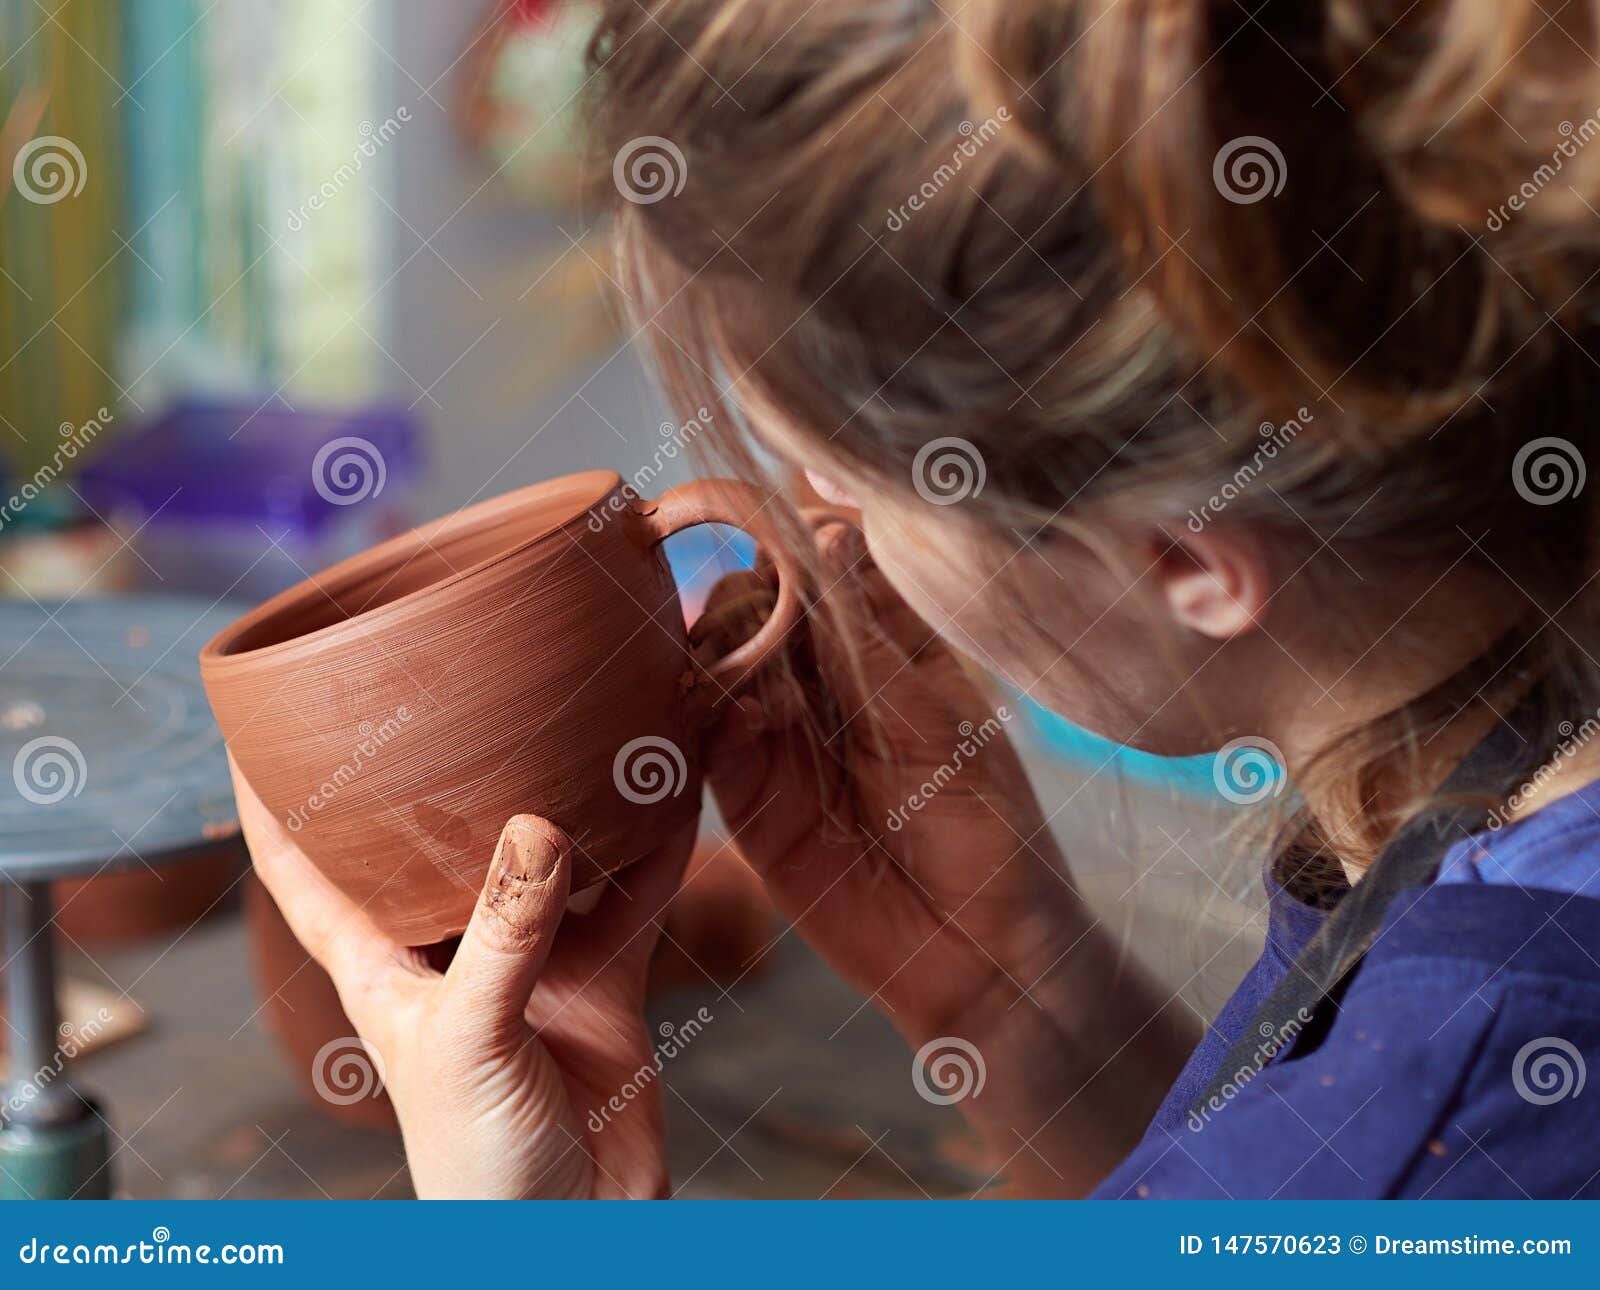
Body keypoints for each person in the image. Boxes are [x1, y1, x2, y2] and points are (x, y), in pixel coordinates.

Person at [236, 0, 1600, 1197]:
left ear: (1182, 555)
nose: (838, 536)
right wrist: (1013, 998)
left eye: (859, 486)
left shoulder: (1453, 1117)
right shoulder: (1502, 815)